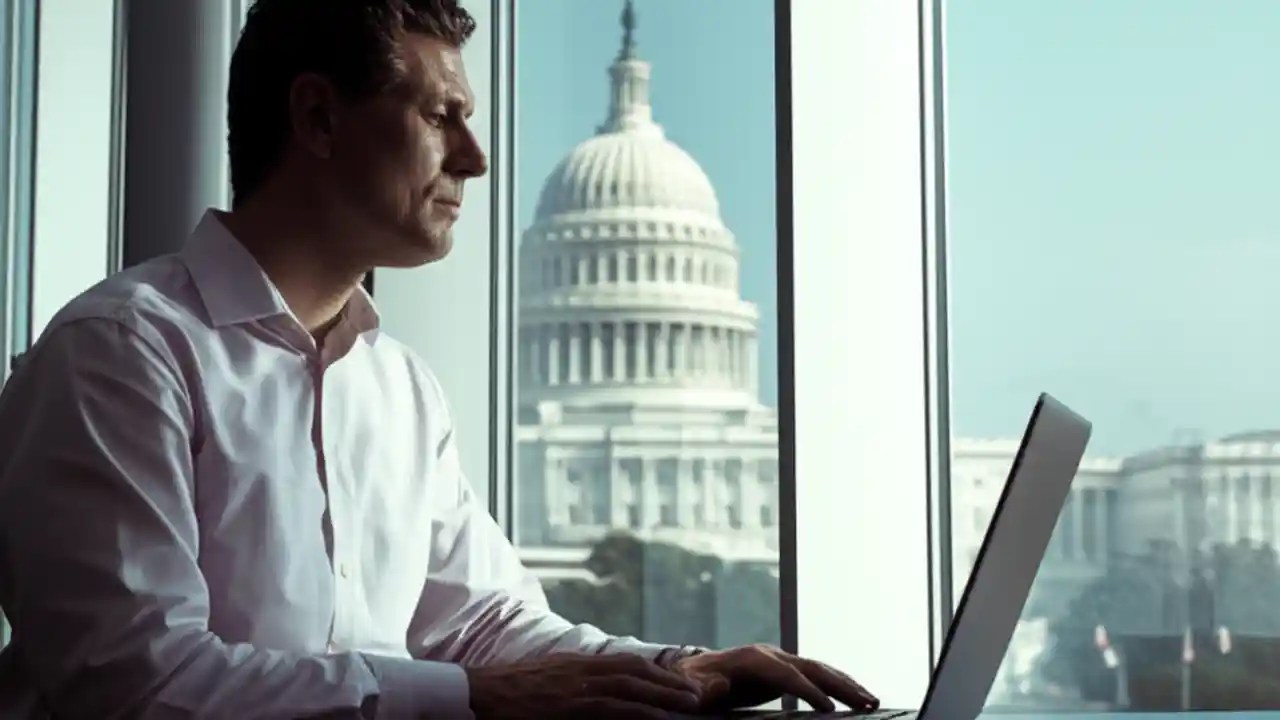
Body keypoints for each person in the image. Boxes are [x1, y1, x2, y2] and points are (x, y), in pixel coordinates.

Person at [0, 1, 878, 718]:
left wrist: (680, 669)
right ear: (317, 117)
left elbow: (485, 624)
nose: (478, 157)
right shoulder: (120, 356)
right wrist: (473, 700)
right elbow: (135, 686)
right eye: (441, 116)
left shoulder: (397, 387)